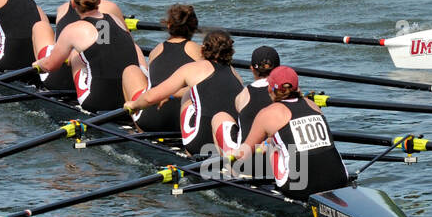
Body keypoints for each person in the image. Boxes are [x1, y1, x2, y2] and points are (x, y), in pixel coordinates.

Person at [228, 66, 351, 196]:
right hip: (339, 178)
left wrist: (230, 157)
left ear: (270, 88)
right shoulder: (313, 105)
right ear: (297, 87)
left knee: (272, 146)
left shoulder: (267, 113)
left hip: (299, 186)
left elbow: (245, 152)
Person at [125, 30, 243, 156]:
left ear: (202, 50)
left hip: (200, 143)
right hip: (227, 139)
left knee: (188, 97)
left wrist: (133, 105)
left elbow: (150, 98)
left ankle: (188, 153)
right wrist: (171, 95)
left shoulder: (192, 68)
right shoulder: (235, 75)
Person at [35, 0, 144, 111]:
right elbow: (107, 46)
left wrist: (38, 64)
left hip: (97, 102)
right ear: (99, 1)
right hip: (129, 95)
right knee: (134, 48)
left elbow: (50, 66)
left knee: (75, 55)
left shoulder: (73, 29)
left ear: (74, 4)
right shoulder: (115, 19)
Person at [123, 4, 204, 133]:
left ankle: (139, 128)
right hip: (182, 123)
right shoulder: (200, 51)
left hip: (151, 121)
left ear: (169, 25)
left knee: (130, 70)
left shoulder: (156, 50)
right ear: (194, 28)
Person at [233, 45, 280, 142]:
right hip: (277, 150)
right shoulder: (285, 91)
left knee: (221, 118)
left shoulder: (242, 95)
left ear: (252, 68)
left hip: (249, 153)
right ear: (278, 68)